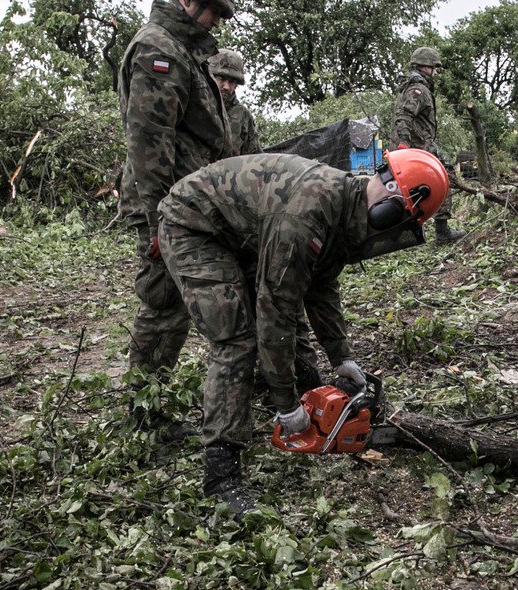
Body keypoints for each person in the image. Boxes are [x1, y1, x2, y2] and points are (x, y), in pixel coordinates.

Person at [158, 147, 449, 514]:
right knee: (237, 337)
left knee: (287, 325)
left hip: (240, 232)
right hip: (194, 226)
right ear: (391, 205)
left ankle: (278, 395)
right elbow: (275, 308)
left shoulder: (345, 210)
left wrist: (342, 357)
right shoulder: (307, 214)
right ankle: (221, 472)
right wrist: (286, 405)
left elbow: (320, 285)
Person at [116, 0, 237, 439]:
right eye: (214, 10)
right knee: (163, 306)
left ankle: (150, 409)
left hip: (187, 204)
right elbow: (149, 144)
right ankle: (143, 418)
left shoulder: (184, 49)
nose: (217, 21)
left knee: (172, 307)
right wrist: (159, 221)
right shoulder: (158, 50)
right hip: (169, 206)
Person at [391, 45, 464, 243]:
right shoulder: (417, 89)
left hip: (418, 146)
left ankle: (408, 231)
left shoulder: (412, 86)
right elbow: (404, 116)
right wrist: (404, 144)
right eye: (434, 68)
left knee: (411, 190)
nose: (435, 73)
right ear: (425, 66)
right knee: (444, 175)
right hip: (418, 148)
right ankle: (442, 232)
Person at [210, 49, 260, 156]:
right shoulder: (195, 105)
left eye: (232, 82)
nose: (226, 87)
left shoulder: (243, 115)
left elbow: (253, 156)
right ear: (210, 77)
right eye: (221, 79)